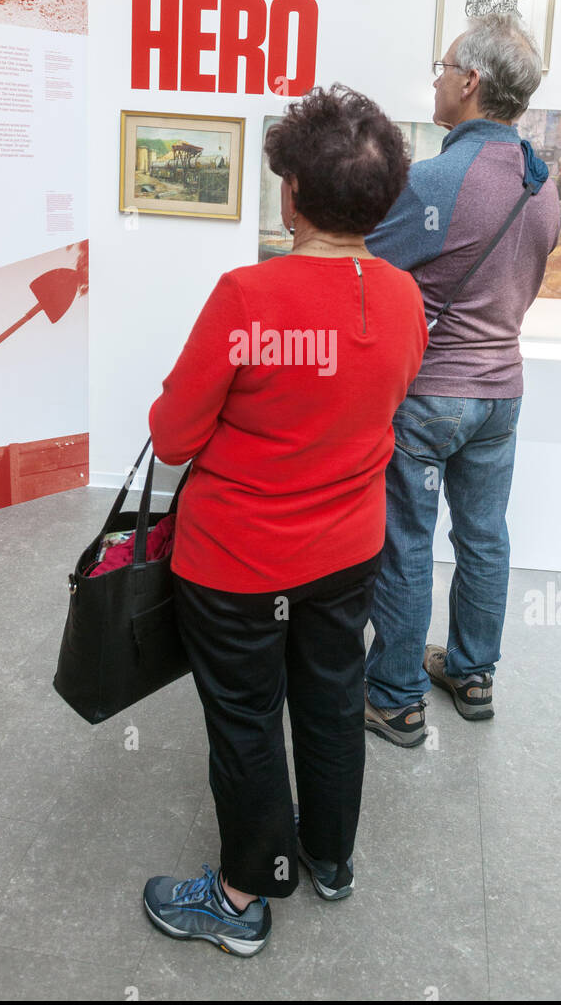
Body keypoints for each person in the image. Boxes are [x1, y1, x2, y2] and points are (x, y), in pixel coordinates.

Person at [142, 85, 427, 956]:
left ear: (291, 191)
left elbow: (173, 435)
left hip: (238, 562)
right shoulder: (406, 300)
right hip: (347, 552)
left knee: (246, 715)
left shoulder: (248, 298)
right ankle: (331, 860)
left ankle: (241, 896)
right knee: (333, 700)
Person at [363, 14, 560, 745]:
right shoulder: (542, 185)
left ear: (471, 81)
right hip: (502, 391)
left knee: (407, 540)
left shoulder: (439, 178)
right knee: (483, 537)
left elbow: (364, 258)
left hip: (430, 396)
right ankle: (473, 674)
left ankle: (396, 696)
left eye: (443, 67)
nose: (437, 79)